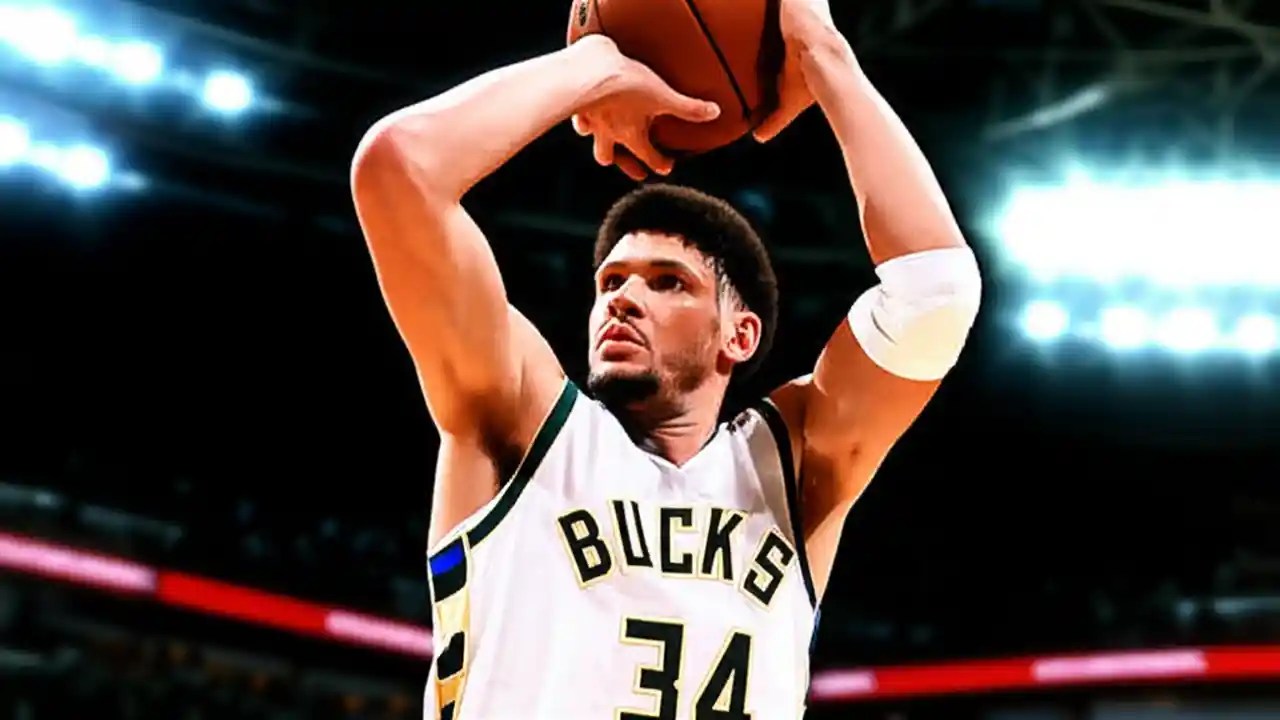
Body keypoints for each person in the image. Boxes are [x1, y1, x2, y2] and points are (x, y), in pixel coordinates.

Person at [350, 0, 981, 717]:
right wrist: (593, 68)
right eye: (610, 283)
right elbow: (399, 170)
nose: (621, 299)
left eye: (667, 283)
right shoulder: (521, 417)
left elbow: (936, 294)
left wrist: (823, 53)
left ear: (737, 337)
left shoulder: (792, 467)